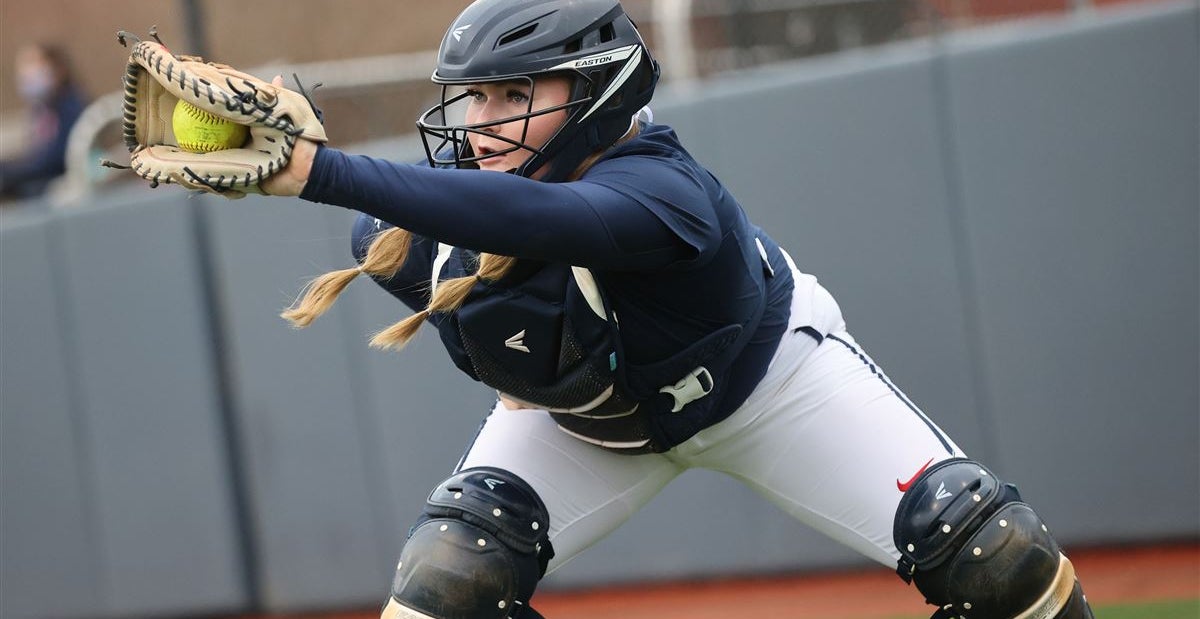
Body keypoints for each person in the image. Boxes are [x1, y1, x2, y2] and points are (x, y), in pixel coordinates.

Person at [263, 1, 1095, 617]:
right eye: (471, 98)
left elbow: (544, 222)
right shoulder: (426, 223)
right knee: (448, 580)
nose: (478, 125)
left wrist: (318, 170)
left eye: (509, 93)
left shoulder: (663, 191)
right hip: (589, 430)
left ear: (595, 92)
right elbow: (427, 229)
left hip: (769, 385)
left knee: (994, 552)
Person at [0, 43, 87, 201]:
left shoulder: (71, 108)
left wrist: (8, 172)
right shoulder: (42, 111)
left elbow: (54, 159)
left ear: (57, 69)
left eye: (34, 66)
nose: (27, 75)